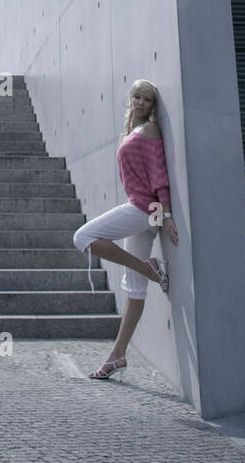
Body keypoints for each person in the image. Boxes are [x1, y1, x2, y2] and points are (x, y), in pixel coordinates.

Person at [72, 79, 178, 380]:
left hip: (144, 209)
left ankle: (149, 269)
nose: (142, 103)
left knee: (83, 237)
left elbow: (160, 178)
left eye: (148, 99)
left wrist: (167, 214)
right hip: (144, 214)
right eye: (138, 97)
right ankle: (117, 356)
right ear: (130, 99)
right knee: (133, 288)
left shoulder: (150, 130)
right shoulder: (130, 133)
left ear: (153, 105)